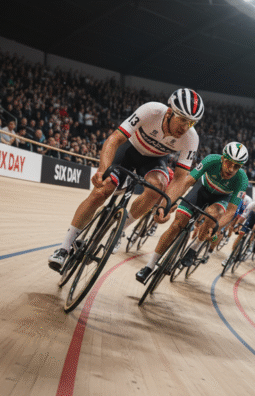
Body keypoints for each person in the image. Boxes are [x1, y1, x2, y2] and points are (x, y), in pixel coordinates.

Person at [49, 88, 204, 271]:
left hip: (154, 161)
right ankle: (64, 247)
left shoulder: (191, 138)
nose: (185, 127)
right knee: (102, 191)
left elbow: (179, 179)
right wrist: (102, 171)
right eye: (182, 119)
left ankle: (118, 230)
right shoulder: (151, 110)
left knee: (158, 187)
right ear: (169, 112)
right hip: (129, 150)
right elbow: (114, 139)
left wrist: (165, 204)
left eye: (191, 122)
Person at [137, 142, 249, 281]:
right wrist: (171, 202)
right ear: (222, 158)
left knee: (213, 216)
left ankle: (195, 248)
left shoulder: (242, 180)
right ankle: (149, 266)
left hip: (221, 199)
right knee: (176, 225)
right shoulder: (211, 160)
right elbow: (187, 181)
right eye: (229, 163)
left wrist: (216, 227)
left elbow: (231, 211)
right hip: (201, 190)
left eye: (236, 166)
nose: (231, 169)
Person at [222, 195, 255, 266]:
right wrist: (237, 225)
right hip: (252, 217)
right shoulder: (251, 205)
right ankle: (231, 255)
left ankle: (251, 244)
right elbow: (243, 216)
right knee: (241, 234)